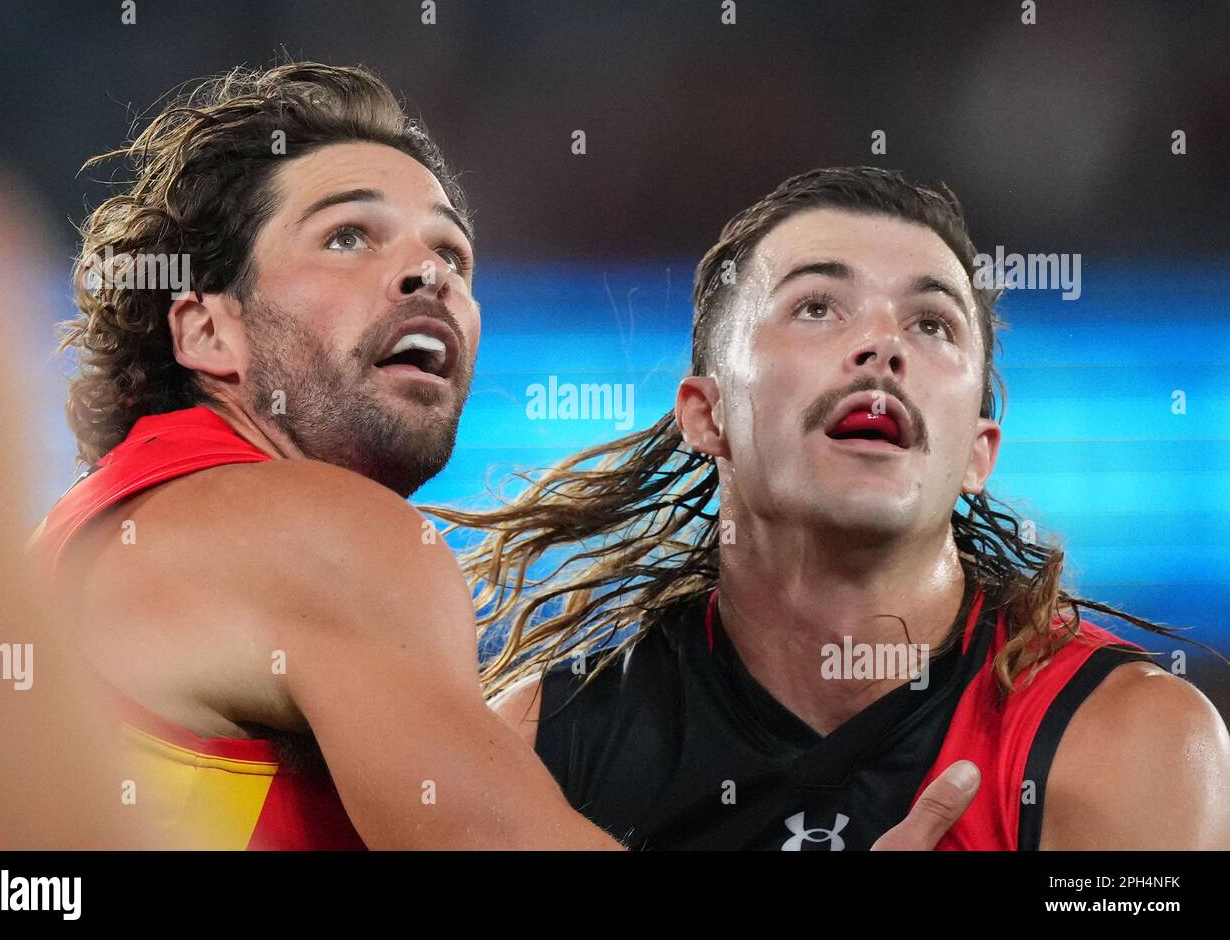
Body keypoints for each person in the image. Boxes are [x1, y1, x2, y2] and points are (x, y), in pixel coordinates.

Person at [0, 67, 975, 850]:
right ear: (209, 331)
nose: (425, 274)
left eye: (451, 254)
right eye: (350, 237)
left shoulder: (103, 532)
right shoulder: (313, 532)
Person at [441, 166, 1230, 850]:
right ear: (705, 415)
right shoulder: (551, 745)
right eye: (818, 307)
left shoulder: (1130, 742)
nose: (882, 346)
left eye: (931, 323)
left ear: (977, 455)